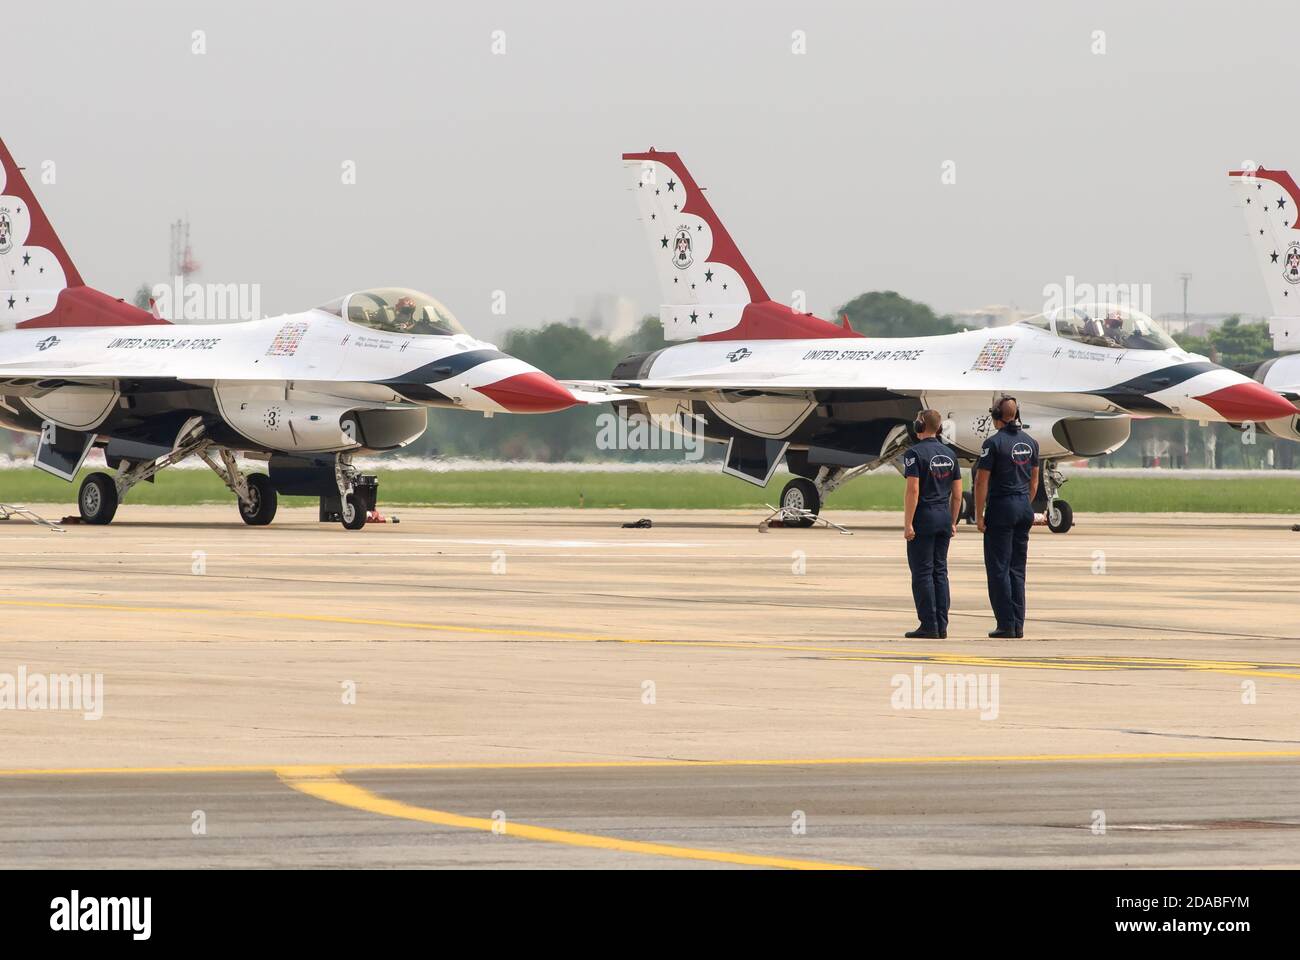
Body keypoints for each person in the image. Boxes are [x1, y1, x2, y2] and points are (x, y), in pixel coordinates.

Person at [975, 397, 1039, 638]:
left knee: (999, 568)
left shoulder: (992, 444)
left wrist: (979, 514)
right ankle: (1018, 623)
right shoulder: (1031, 442)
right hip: (1023, 506)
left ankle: (1005, 624)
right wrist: (1023, 503)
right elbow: (1034, 481)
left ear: (995, 415)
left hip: (1001, 508)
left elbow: (981, 481)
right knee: (1017, 569)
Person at [902, 409, 962, 639]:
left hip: (924, 518)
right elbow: (957, 494)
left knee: (922, 573)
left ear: (920, 425)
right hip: (943, 518)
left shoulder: (914, 454)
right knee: (940, 571)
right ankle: (942, 624)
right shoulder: (950, 454)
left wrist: (908, 524)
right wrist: (953, 521)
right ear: (939, 428)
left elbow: (913, 490)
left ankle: (928, 624)